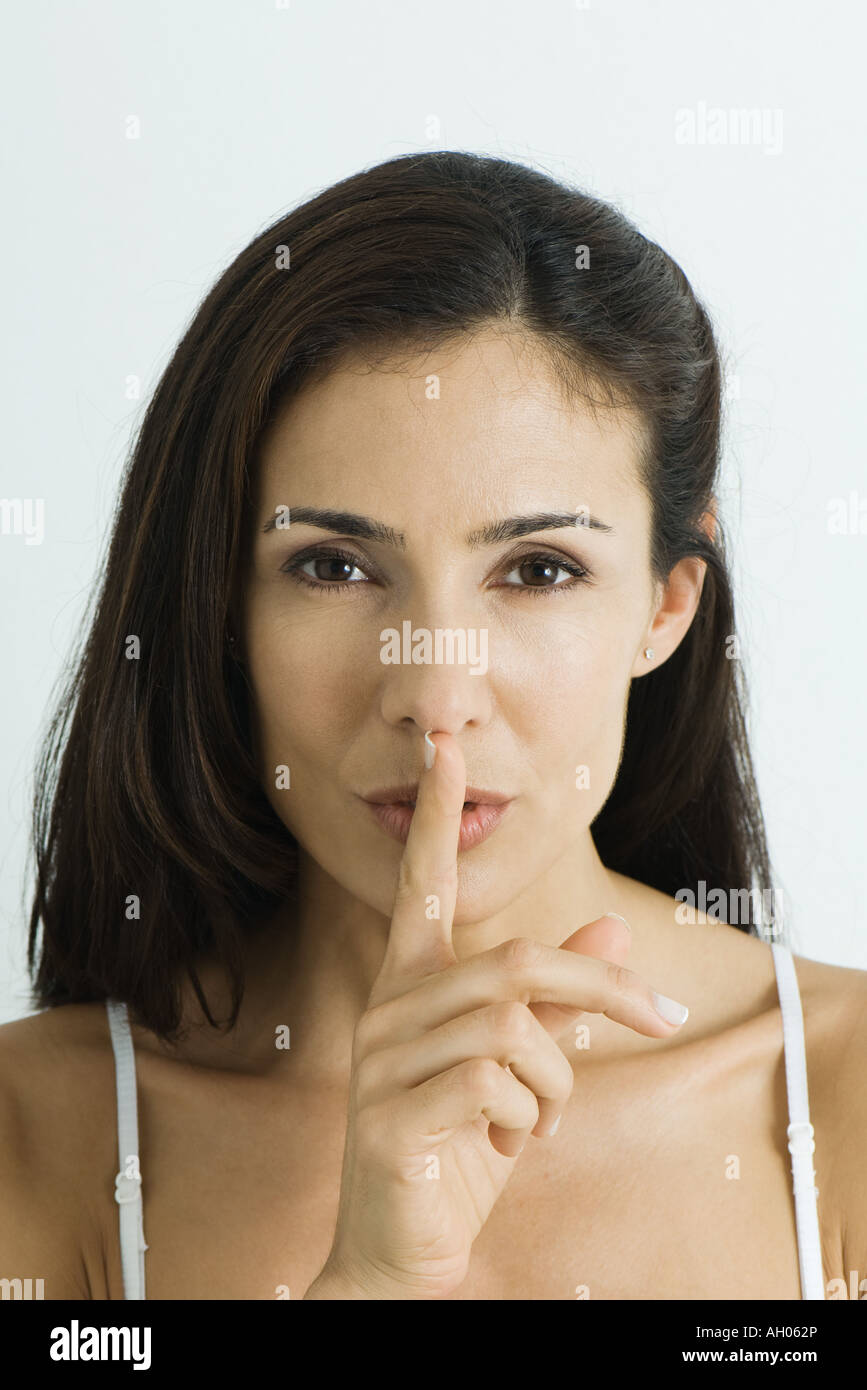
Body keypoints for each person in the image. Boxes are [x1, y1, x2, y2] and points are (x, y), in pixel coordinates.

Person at [2, 152, 864, 1301]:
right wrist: (370, 1280)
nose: (435, 689)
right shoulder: (40, 1141)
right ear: (220, 599)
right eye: (336, 565)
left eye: (540, 568)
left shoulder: (841, 1098)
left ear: (667, 602)